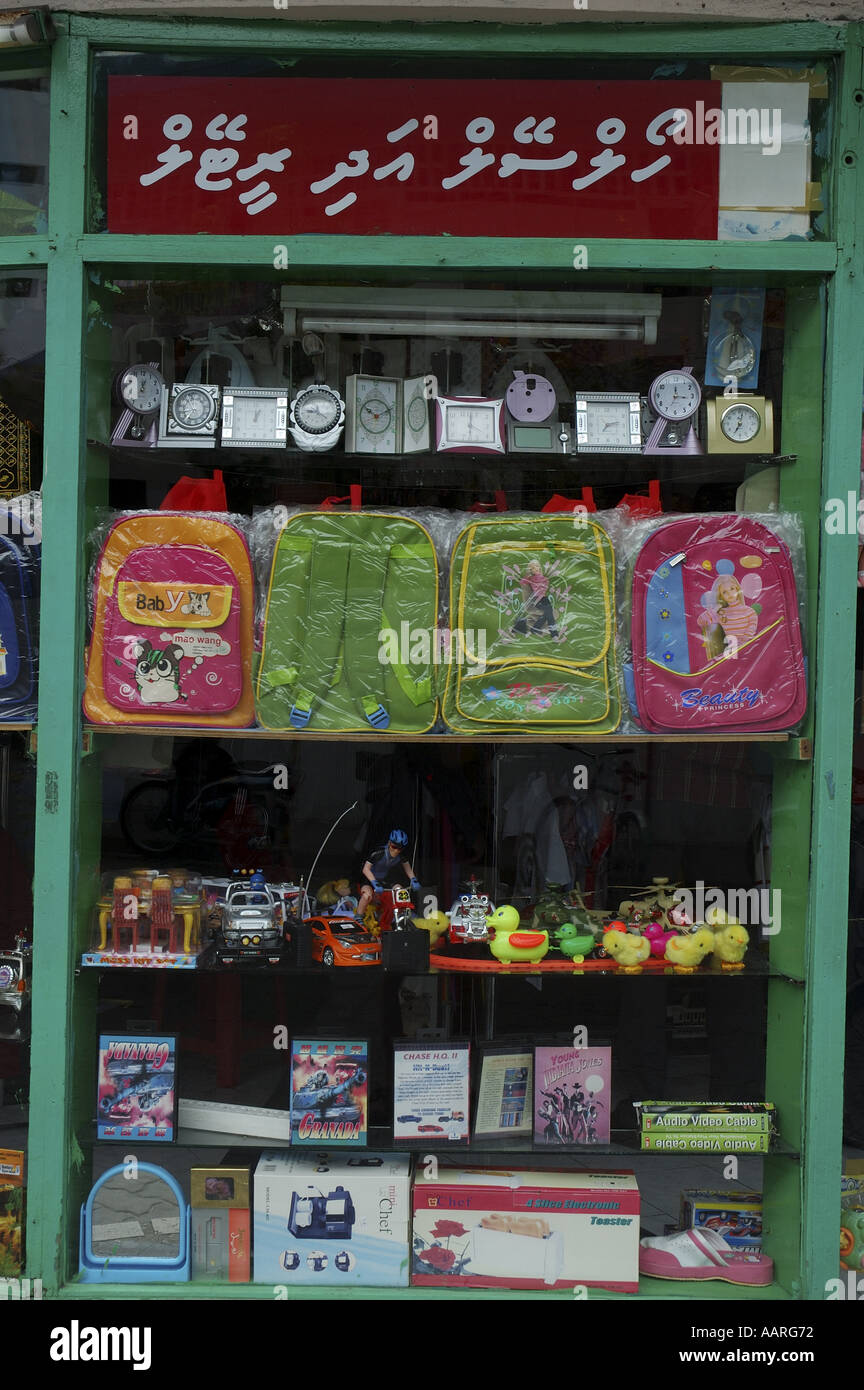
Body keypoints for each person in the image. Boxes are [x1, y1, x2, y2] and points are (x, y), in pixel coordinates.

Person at [357, 829, 421, 918]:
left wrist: (414, 880)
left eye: (400, 848)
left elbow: (408, 870)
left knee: (400, 891)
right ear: (389, 843)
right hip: (369, 880)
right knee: (367, 896)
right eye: (394, 847)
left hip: (384, 880)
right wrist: (374, 882)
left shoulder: (401, 857)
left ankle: (399, 917)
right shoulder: (378, 853)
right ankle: (359, 916)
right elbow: (366, 869)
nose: (396, 851)